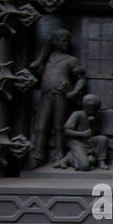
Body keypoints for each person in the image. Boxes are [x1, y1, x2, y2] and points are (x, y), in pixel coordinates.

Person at [28, 29, 87, 168]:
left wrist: (74, 92)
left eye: (67, 41)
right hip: (46, 94)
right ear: (54, 42)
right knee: (41, 126)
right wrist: (39, 60)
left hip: (61, 95)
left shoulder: (71, 60)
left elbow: (81, 79)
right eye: (62, 40)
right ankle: (37, 155)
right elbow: (36, 74)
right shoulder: (47, 59)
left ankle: (59, 156)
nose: (66, 43)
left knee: (59, 126)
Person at [55, 93, 108, 170]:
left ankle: (101, 161)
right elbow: (66, 131)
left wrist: (93, 123)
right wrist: (81, 134)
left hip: (89, 141)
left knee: (102, 139)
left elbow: (96, 132)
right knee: (84, 166)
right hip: (76, 142)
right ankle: (69, 158)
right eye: (89, 107)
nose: (91, 110)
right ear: (84, 106)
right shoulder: (77, 114)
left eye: (94, 108)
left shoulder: (97, 116)